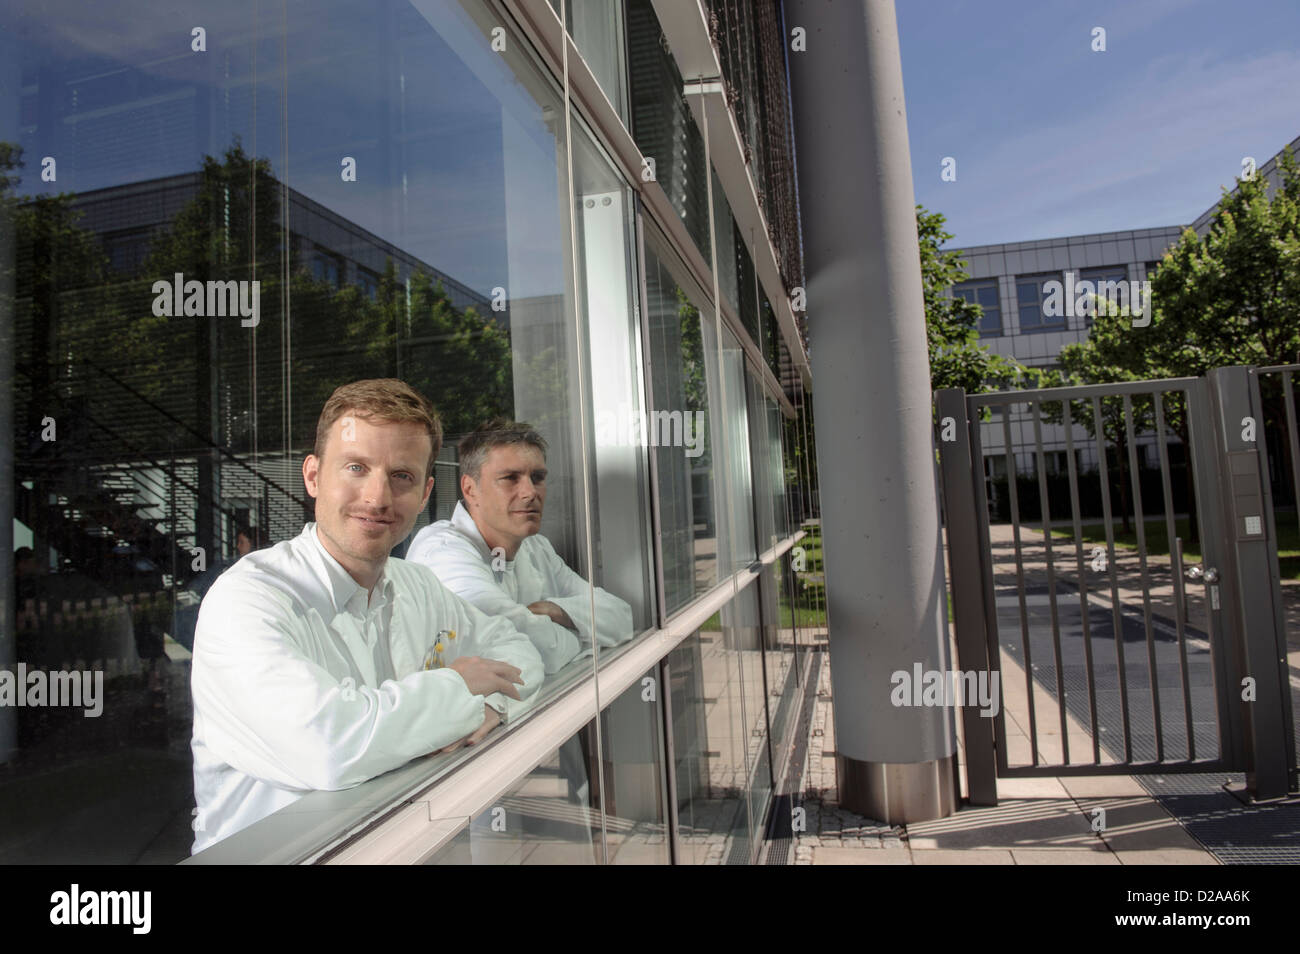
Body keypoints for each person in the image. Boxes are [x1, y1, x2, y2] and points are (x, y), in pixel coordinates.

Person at [189, 381, 545, 854]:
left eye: (402, 476)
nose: (377, 498)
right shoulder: (248, 599)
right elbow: (331, 747)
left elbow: (522, 651)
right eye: (356, 468)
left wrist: (494, 706)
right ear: (313, 476)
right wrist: (458, 687)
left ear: (425, 493)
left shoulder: (418, 585)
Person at [406, 419, 634, 675]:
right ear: (470, 490)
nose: (530, 492)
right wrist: (584, 634)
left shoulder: (535, 547)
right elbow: (528, 653)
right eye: (510, 478)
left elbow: (621, 617)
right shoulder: (443, 553)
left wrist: (557, 610)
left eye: (537, 478)